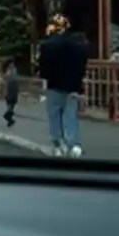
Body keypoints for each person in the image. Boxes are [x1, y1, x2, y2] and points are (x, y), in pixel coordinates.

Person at [37, 13, 88, 157]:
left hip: (54, 86)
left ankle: (59, 144)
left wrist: (45, 83)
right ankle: (74, 144)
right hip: (73, 86)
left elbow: (44, 70)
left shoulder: (47, 46)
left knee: (54, 115)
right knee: (71, 115)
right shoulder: (78, 46)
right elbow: (82, 67)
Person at [3, 57, 19, 127]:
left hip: (13, 85)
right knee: (11, 100)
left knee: (12, 101)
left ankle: (9, 116)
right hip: (12, 85)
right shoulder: (10, 69)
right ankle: (9, 115)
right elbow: (7, 77)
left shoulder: (12, 68)